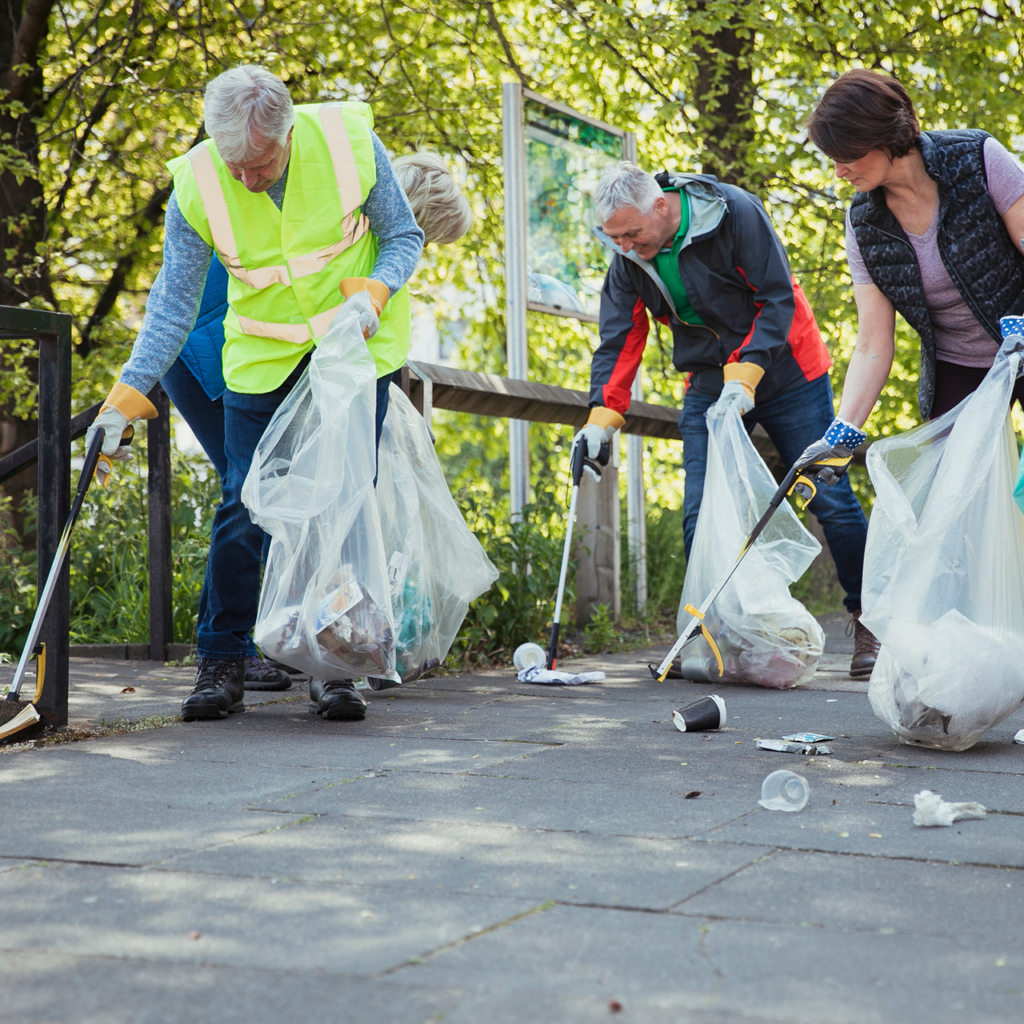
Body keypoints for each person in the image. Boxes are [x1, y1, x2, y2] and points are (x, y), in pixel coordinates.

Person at [85, 65, 424, 724]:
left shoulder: (350, 140)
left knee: (344, 504)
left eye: (260, 163)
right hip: (262, 356)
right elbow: (173, 303)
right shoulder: (196, 182)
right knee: (244, 500)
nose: (245, 178)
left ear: (288, 133)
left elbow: (403, 237)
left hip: (354, 348)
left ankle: (334, 667)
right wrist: (124, 397)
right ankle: (221, 660)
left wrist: (375, 294)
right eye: (233, 164)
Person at [159, 151, 473, 692]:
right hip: (209, 358)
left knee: (275, 498)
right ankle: (239, 648)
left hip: (232, 356)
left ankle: (299, 640)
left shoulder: (350, 225)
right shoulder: (340, 233)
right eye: (431, 238)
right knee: (254, 495)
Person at [576, 161, 878, 678]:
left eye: (631, 234)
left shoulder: (733, 211)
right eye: (614, 237)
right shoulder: (628, 257)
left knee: (829, 497)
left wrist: (748, 374)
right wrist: (602, 417)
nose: (624, 247)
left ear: (661, 207)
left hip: (788, 369)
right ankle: (710, 633)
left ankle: (870, 620)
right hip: (709, 380)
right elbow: (620, 336)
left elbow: (776, 297)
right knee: (700, 511)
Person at [803, 69, 1024, 427]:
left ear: (880, 135)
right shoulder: (863, 225)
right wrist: (843, 429)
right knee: (952, 465)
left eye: (846, 155)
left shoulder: (976, 158)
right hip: (960, 366)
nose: (839, 171)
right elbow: (872, 346)